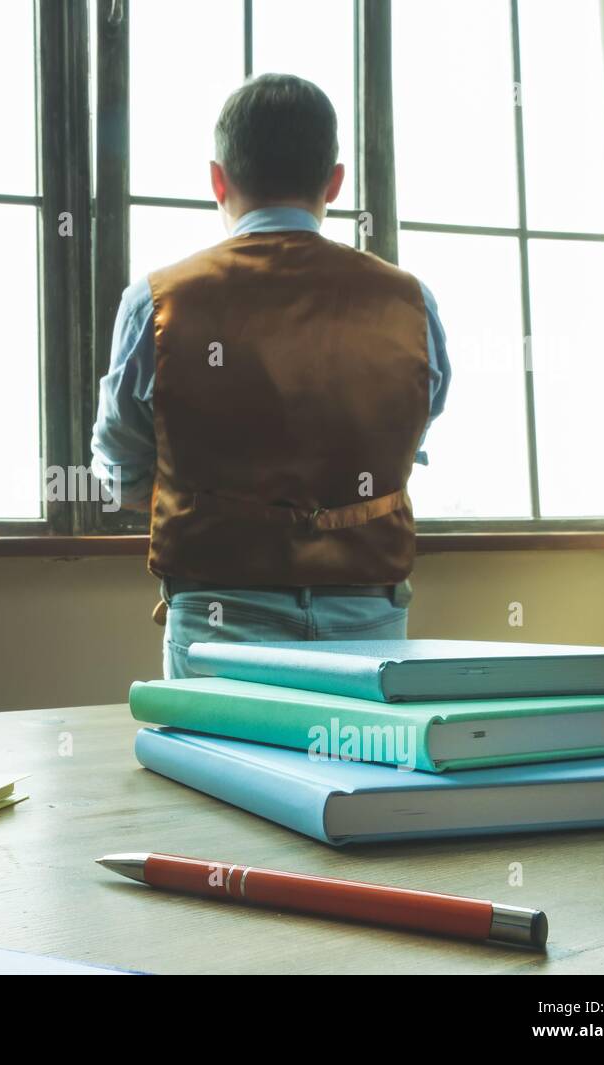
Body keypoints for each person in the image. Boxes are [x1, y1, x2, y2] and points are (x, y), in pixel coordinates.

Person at [90, 74, 451, 679]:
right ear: (334, 181)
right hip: (370, 620)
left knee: (213, 775)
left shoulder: (158, 301)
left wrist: (199, 498)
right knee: (360, 772)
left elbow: (122, 464)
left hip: (218, 616)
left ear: (217, 180)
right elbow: (410, 431)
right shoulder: (410, 302)